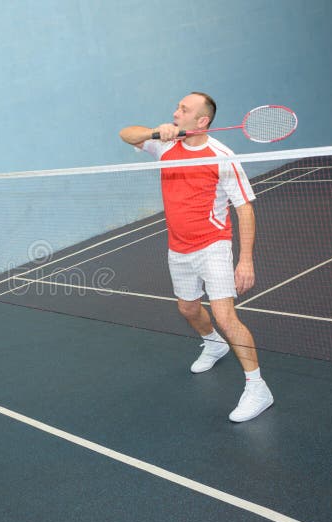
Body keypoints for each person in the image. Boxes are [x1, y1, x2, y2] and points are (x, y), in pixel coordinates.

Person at [119, 92, 273, 422]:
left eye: (183, 109)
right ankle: (213, 344)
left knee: (225, 317)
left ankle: (257, 387)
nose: (176, 112)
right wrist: (154, 132)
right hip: (178, 246)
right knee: (187, 309)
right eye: (177, 107)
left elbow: (244, 209)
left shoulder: (222, 156)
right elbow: (125, 134)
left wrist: (245, 260)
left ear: (202, 121)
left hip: (213, 245)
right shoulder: (164, 145)